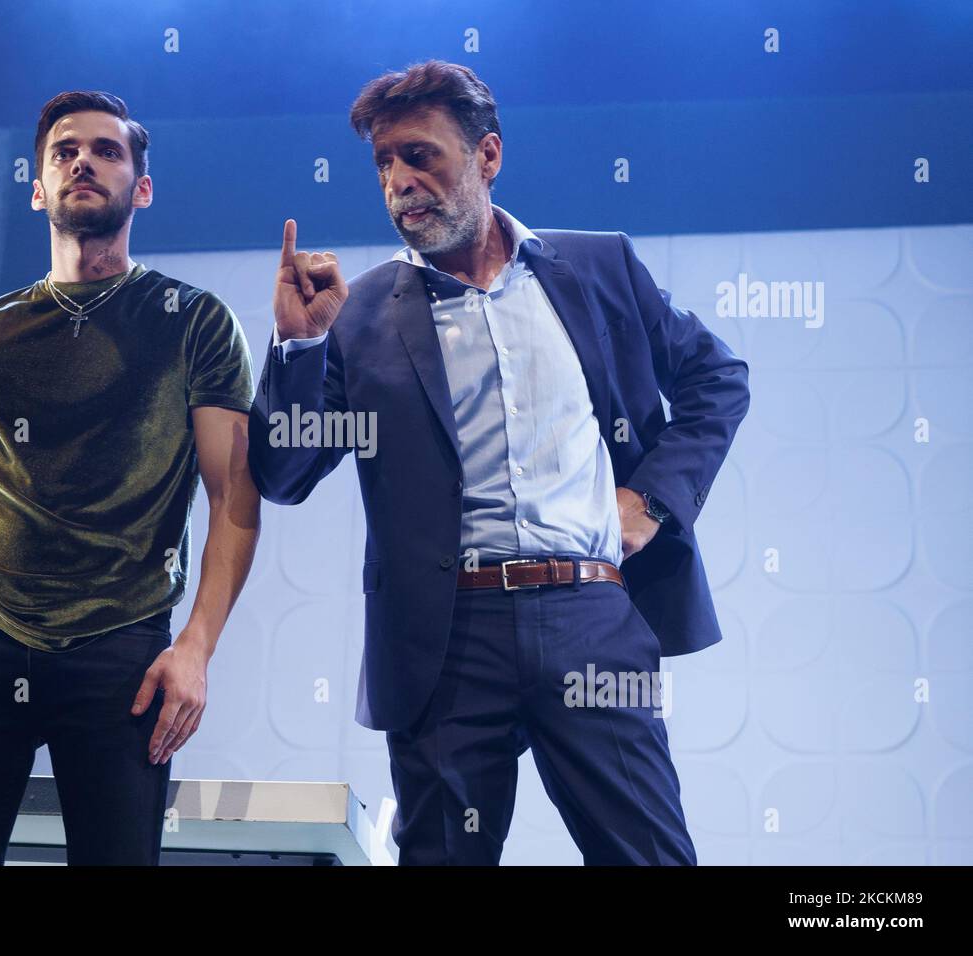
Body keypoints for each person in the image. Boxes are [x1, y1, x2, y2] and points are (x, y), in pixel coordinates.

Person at [249, 61, 750, 864]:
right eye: (383, 164)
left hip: (592, 618)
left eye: (420, 156)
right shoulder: (363, 311)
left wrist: (651, 501)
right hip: (443, 639)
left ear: (487, 156)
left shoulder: (598, 267)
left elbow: (717, 377)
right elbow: (286, 474)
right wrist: (301, 342)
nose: (399, 182)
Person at [0, 90, 259, 865]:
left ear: (142, 187)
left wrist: (196, 647)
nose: (83, 161)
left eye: (106, 150)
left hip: (120, 645)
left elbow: (235, 498)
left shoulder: (194, 322)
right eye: (64, 152)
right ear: (36, 187)